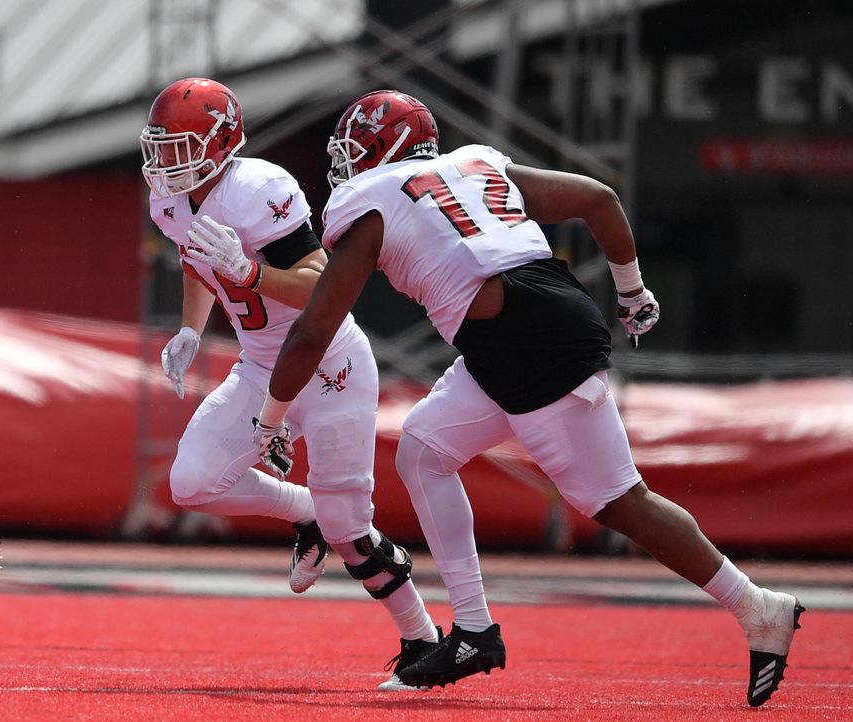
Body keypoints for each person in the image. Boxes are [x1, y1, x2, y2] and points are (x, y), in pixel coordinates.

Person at [256, 90, 803, 707]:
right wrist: (631, 291)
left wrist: (271, 418)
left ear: (390, 150)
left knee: (619, 501)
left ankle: (758, 609)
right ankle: (472, 630)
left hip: (523, 341)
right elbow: (600, 199)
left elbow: (312, 329)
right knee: (425, 449)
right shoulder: (476, 163)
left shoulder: (370, 203)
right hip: (531, 320)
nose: (346, 166)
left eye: (357, 151)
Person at [142, 78, 441, 690]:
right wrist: (190, 329)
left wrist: (249, 272)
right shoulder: (169, 202)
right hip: (260, 364)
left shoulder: (260, 189)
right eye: (161, 147)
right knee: (191, 481)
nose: (165, 162)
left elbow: (318, 288)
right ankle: (304, 511)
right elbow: (199, 260)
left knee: (351, 528)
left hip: (330, 364)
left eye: (179, 148)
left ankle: (421, 638)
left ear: (220, 144)